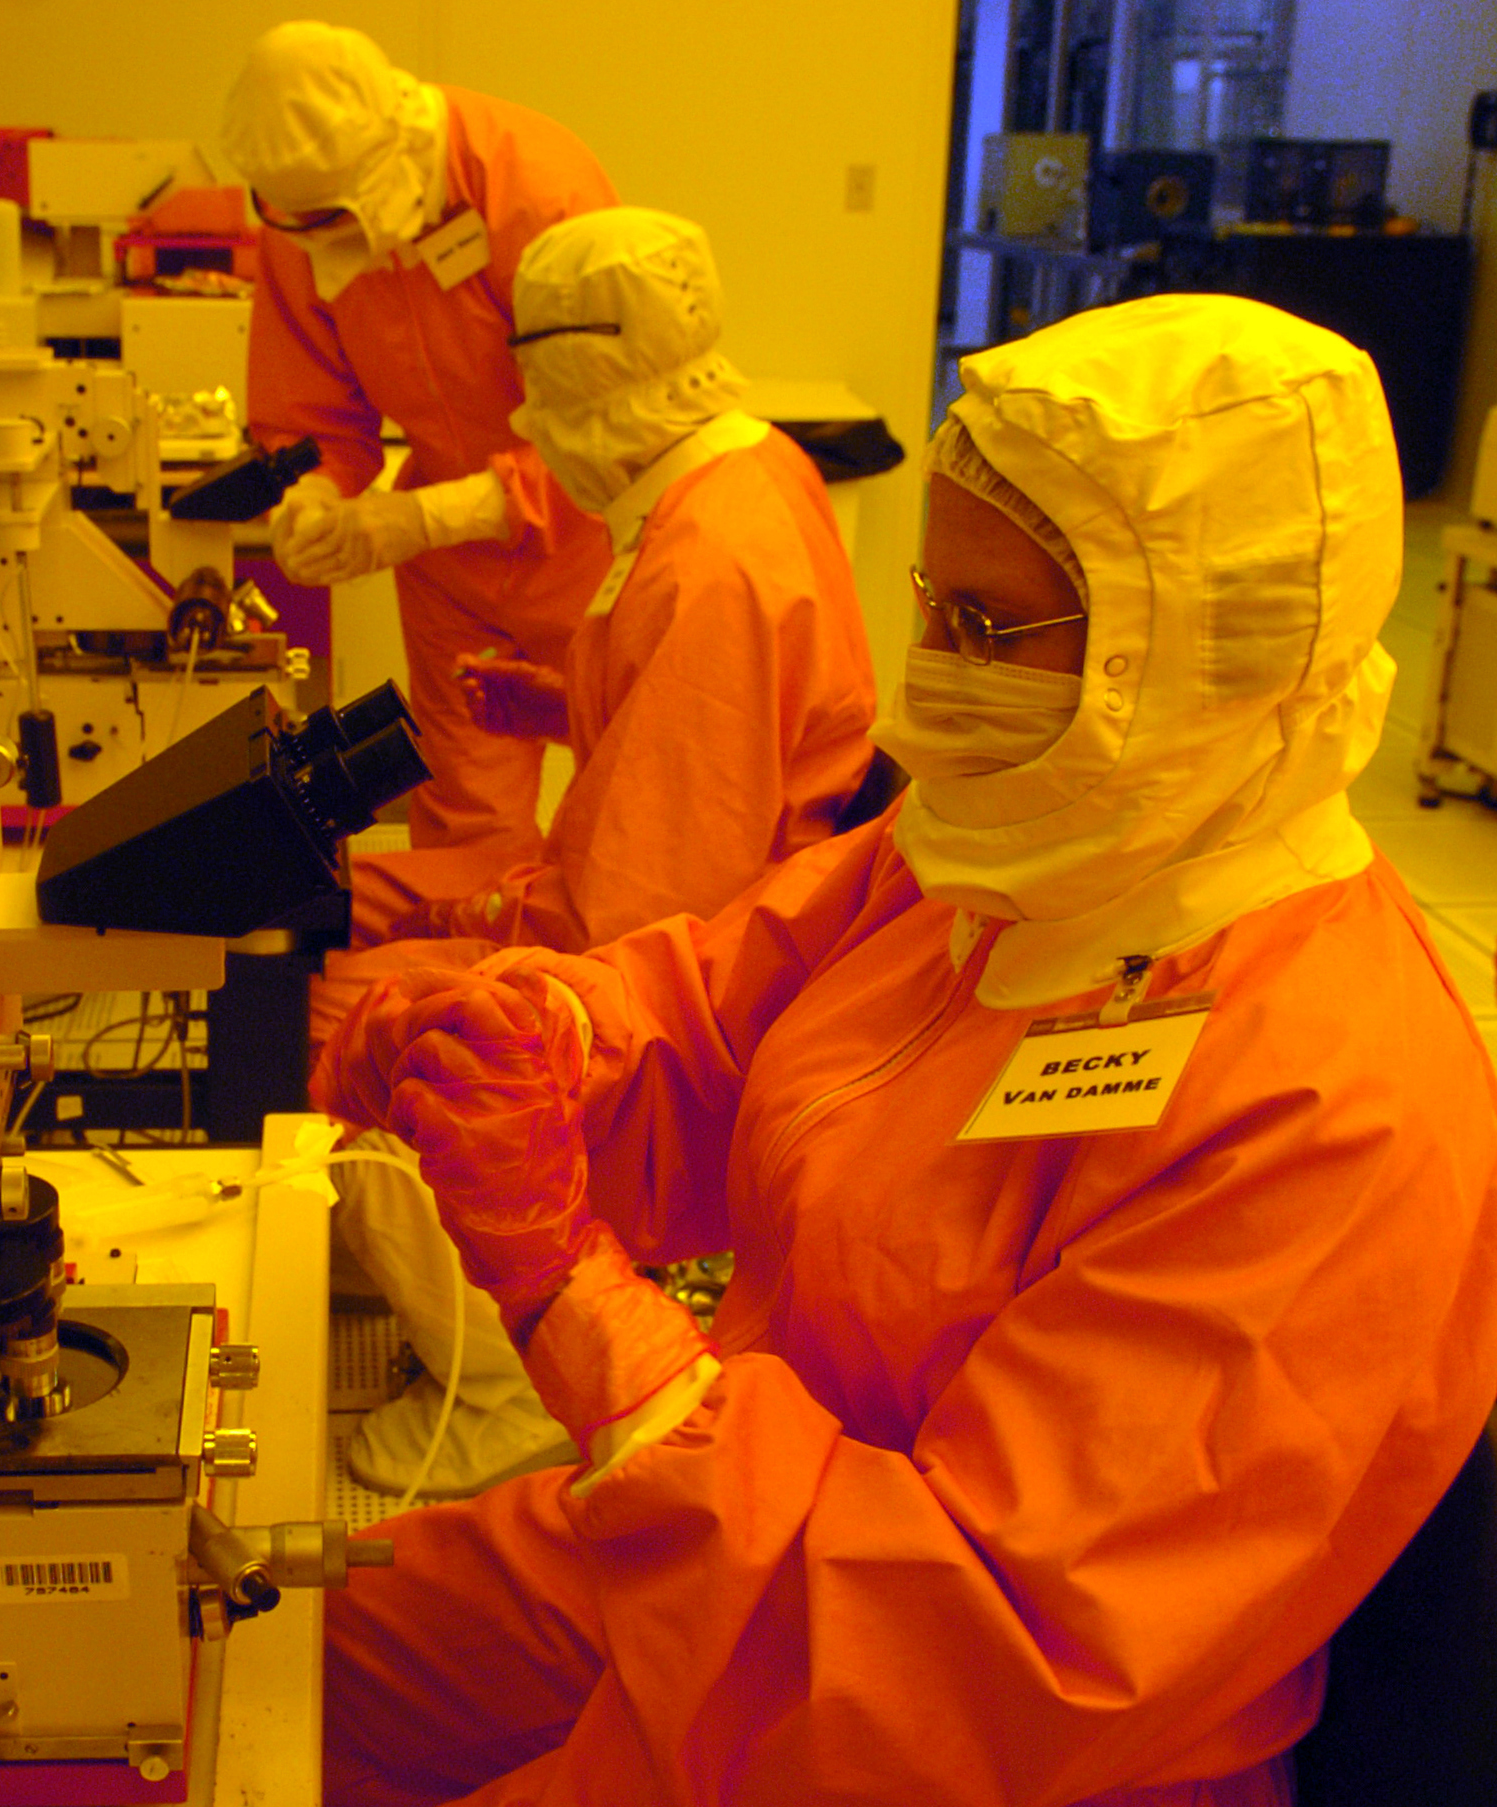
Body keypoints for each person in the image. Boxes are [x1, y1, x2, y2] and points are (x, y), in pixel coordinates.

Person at [311, 293, 1497, 1806]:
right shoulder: (1004, 850)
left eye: (989, 632)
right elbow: (716, 996)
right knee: (257, 1644)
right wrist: (549, 1032)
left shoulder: (1332, 1105)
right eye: (935, 603)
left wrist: (577, 1301)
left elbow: (975, 1654)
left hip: (932, 1708)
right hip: (740, 1524)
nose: (929, 680)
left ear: (1204, 656)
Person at [314, 207, 881, 1501]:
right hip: (698, 888)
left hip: (700, 968)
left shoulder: (708, 559)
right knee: (356, 898)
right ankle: (428, 1270)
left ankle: (508, 1385)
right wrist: (570, 700)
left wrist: (467, 923)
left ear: (574, 381)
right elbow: (724, 725)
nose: (525, 432)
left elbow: (641, 914)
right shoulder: (737, 471)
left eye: (531, 395)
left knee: (345, 1013)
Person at [222, 21, 616, 877]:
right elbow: (309, 406)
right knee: (469, 827)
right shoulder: (299, 215)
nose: (324, 247)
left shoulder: (533, 189)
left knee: (624, 804)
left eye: (337, 225)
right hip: (453, 576)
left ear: (387, 166)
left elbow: (607, 424)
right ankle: (475, 968)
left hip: (592, 545)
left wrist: (421, 518)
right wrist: (313, 495)